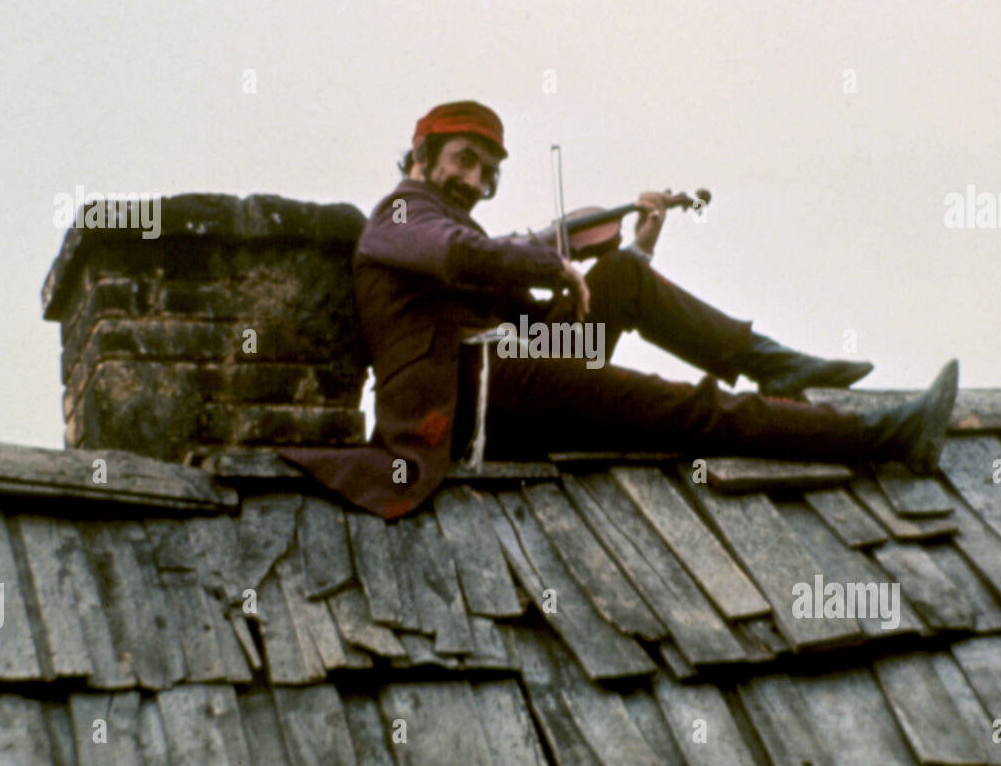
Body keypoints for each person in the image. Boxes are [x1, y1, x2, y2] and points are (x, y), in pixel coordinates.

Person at [277, 100, 958, 520]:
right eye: (465, 161)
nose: (477, 182)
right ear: (421, 155)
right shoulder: (399, 214)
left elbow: (538, 317)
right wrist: (549, 261)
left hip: (510, 373)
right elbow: (461, 256)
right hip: (466, 398)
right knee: (688, 410)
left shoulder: (459, 229)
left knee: (626, 274)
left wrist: (634, 247)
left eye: (489, 172)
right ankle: (883, 437)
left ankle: (773, 365)